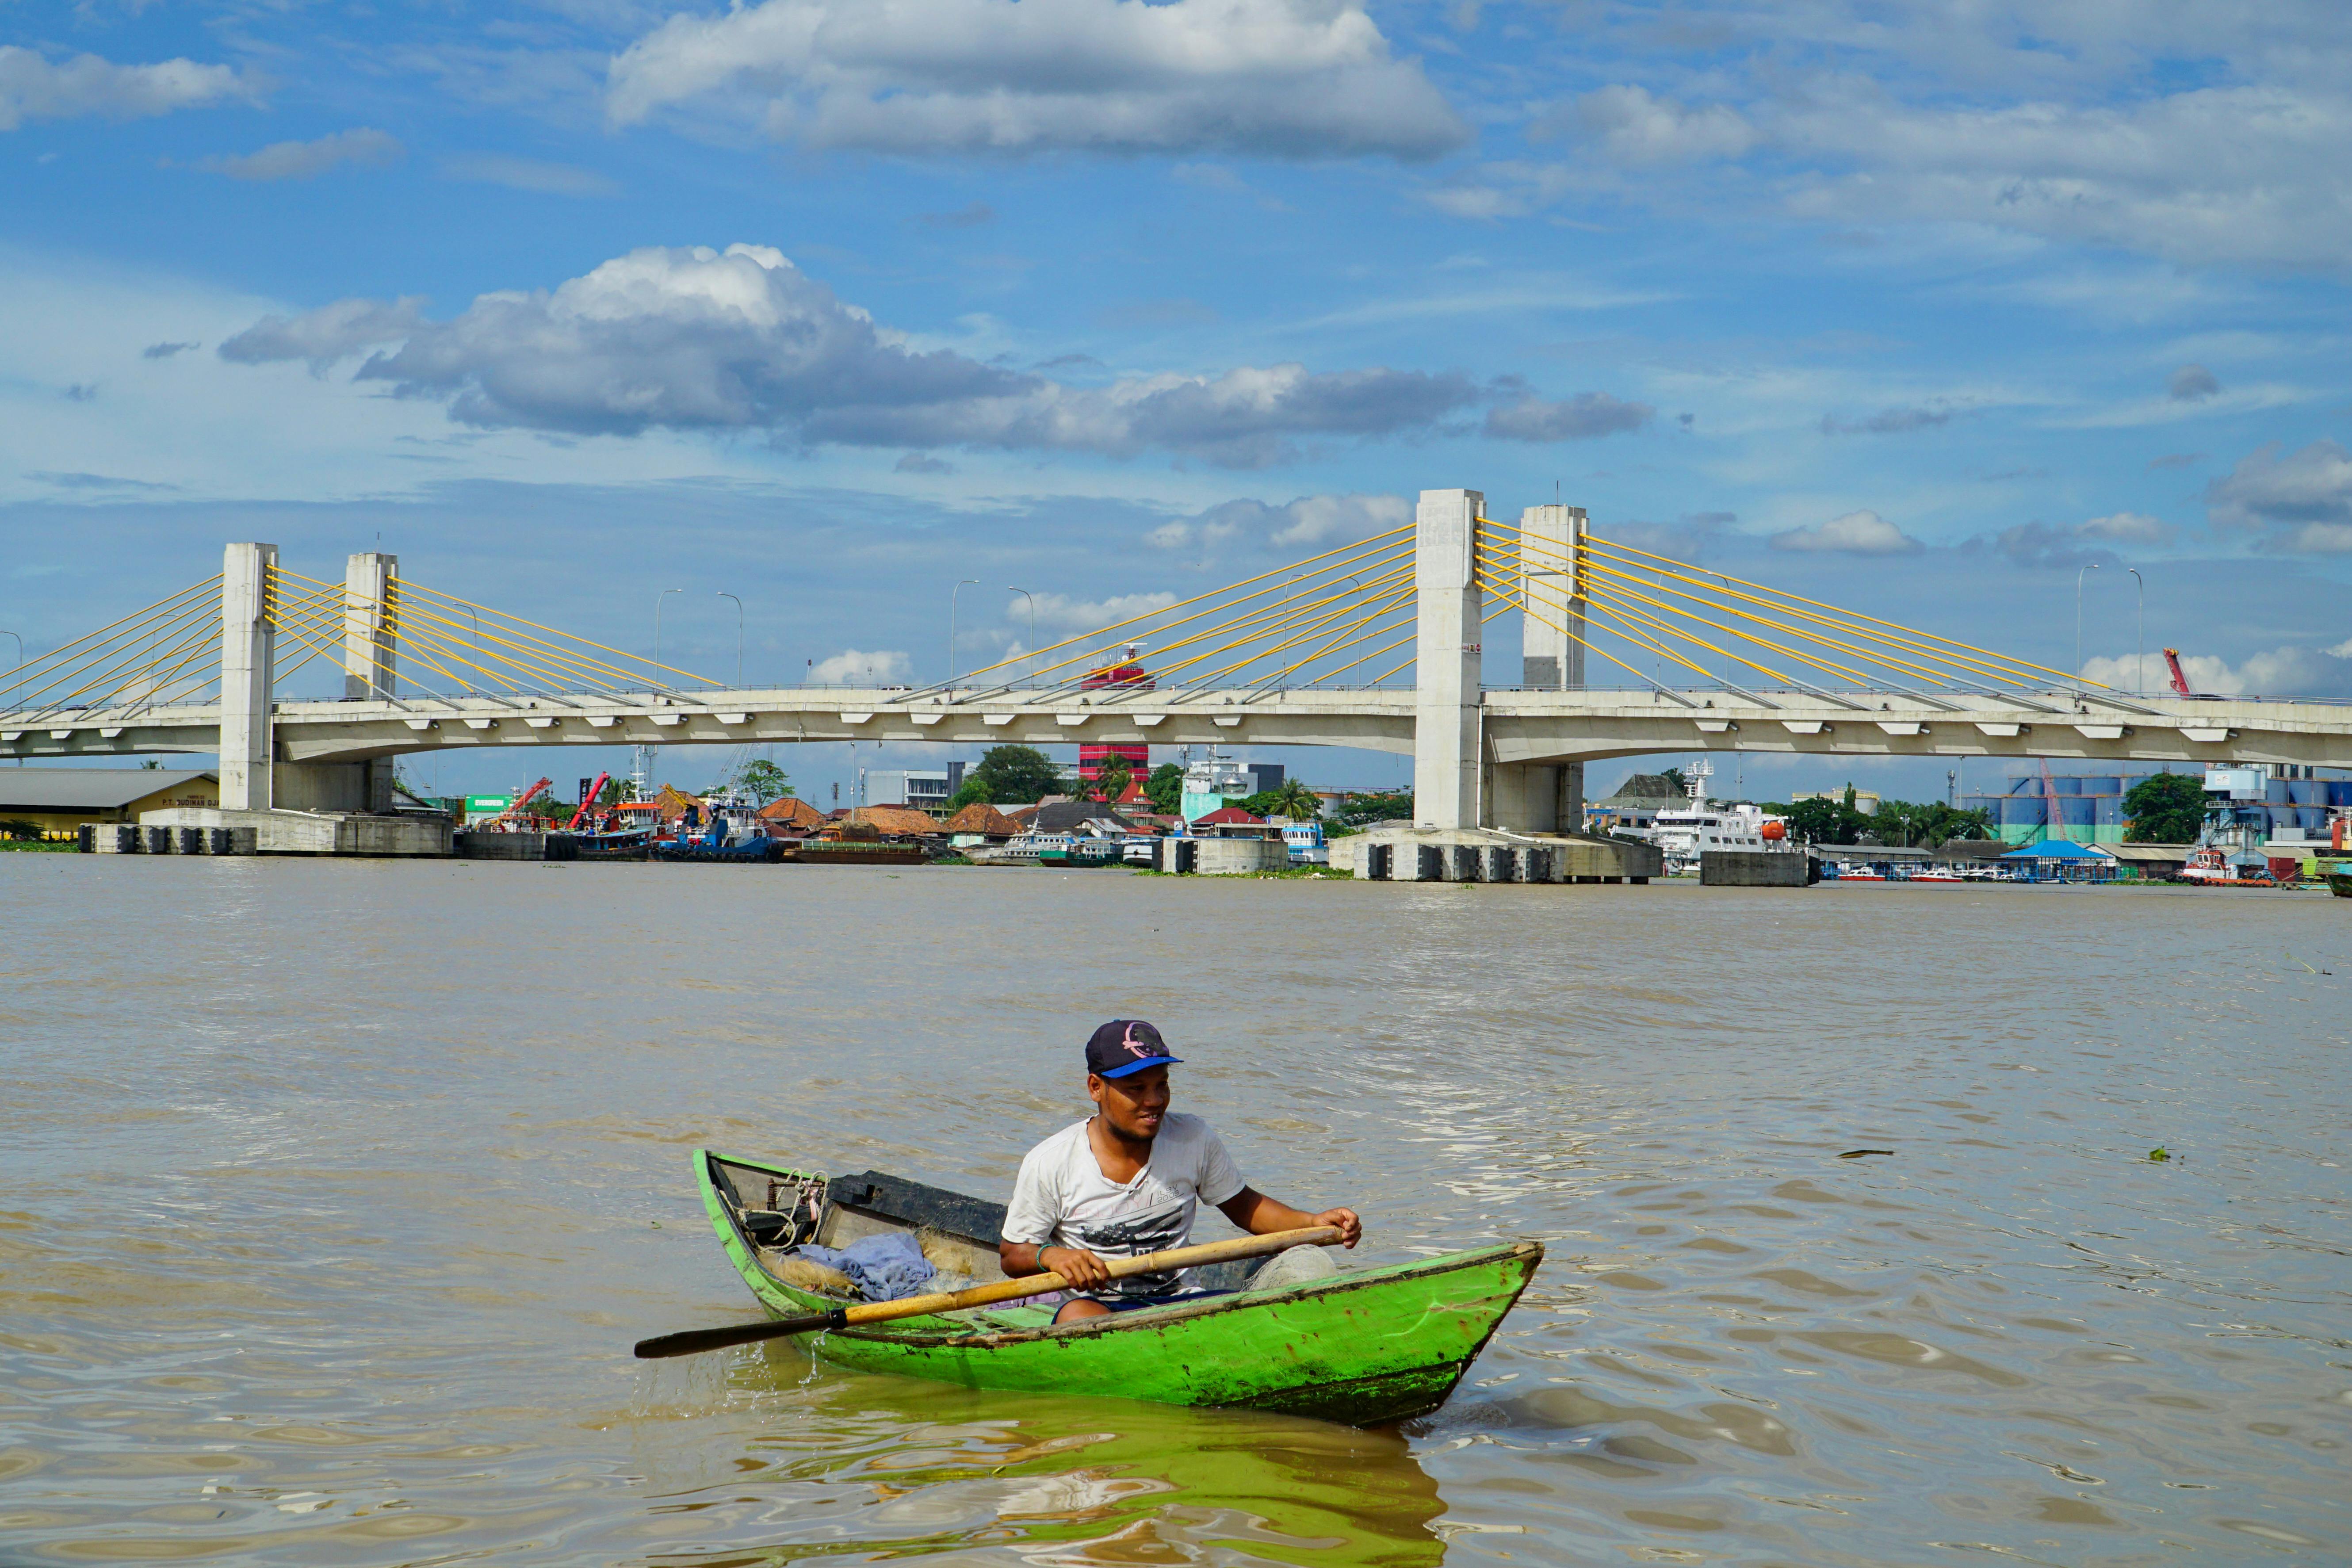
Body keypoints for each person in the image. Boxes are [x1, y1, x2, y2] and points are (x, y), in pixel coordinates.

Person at [1000, 1019, 1360, 1324]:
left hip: (1180, 1303)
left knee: (1304, 1269)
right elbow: (1012, 1255)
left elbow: (1245, 1208)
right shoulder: (1051, 1161)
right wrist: (1050, 1256)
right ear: (1096, 1088)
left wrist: (1312, 1224)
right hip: (1098, 1308)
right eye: (1136, 1089)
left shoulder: (1192, 1137)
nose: (1154, 1100)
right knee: (1078, 1314)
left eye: (1162, 1085)